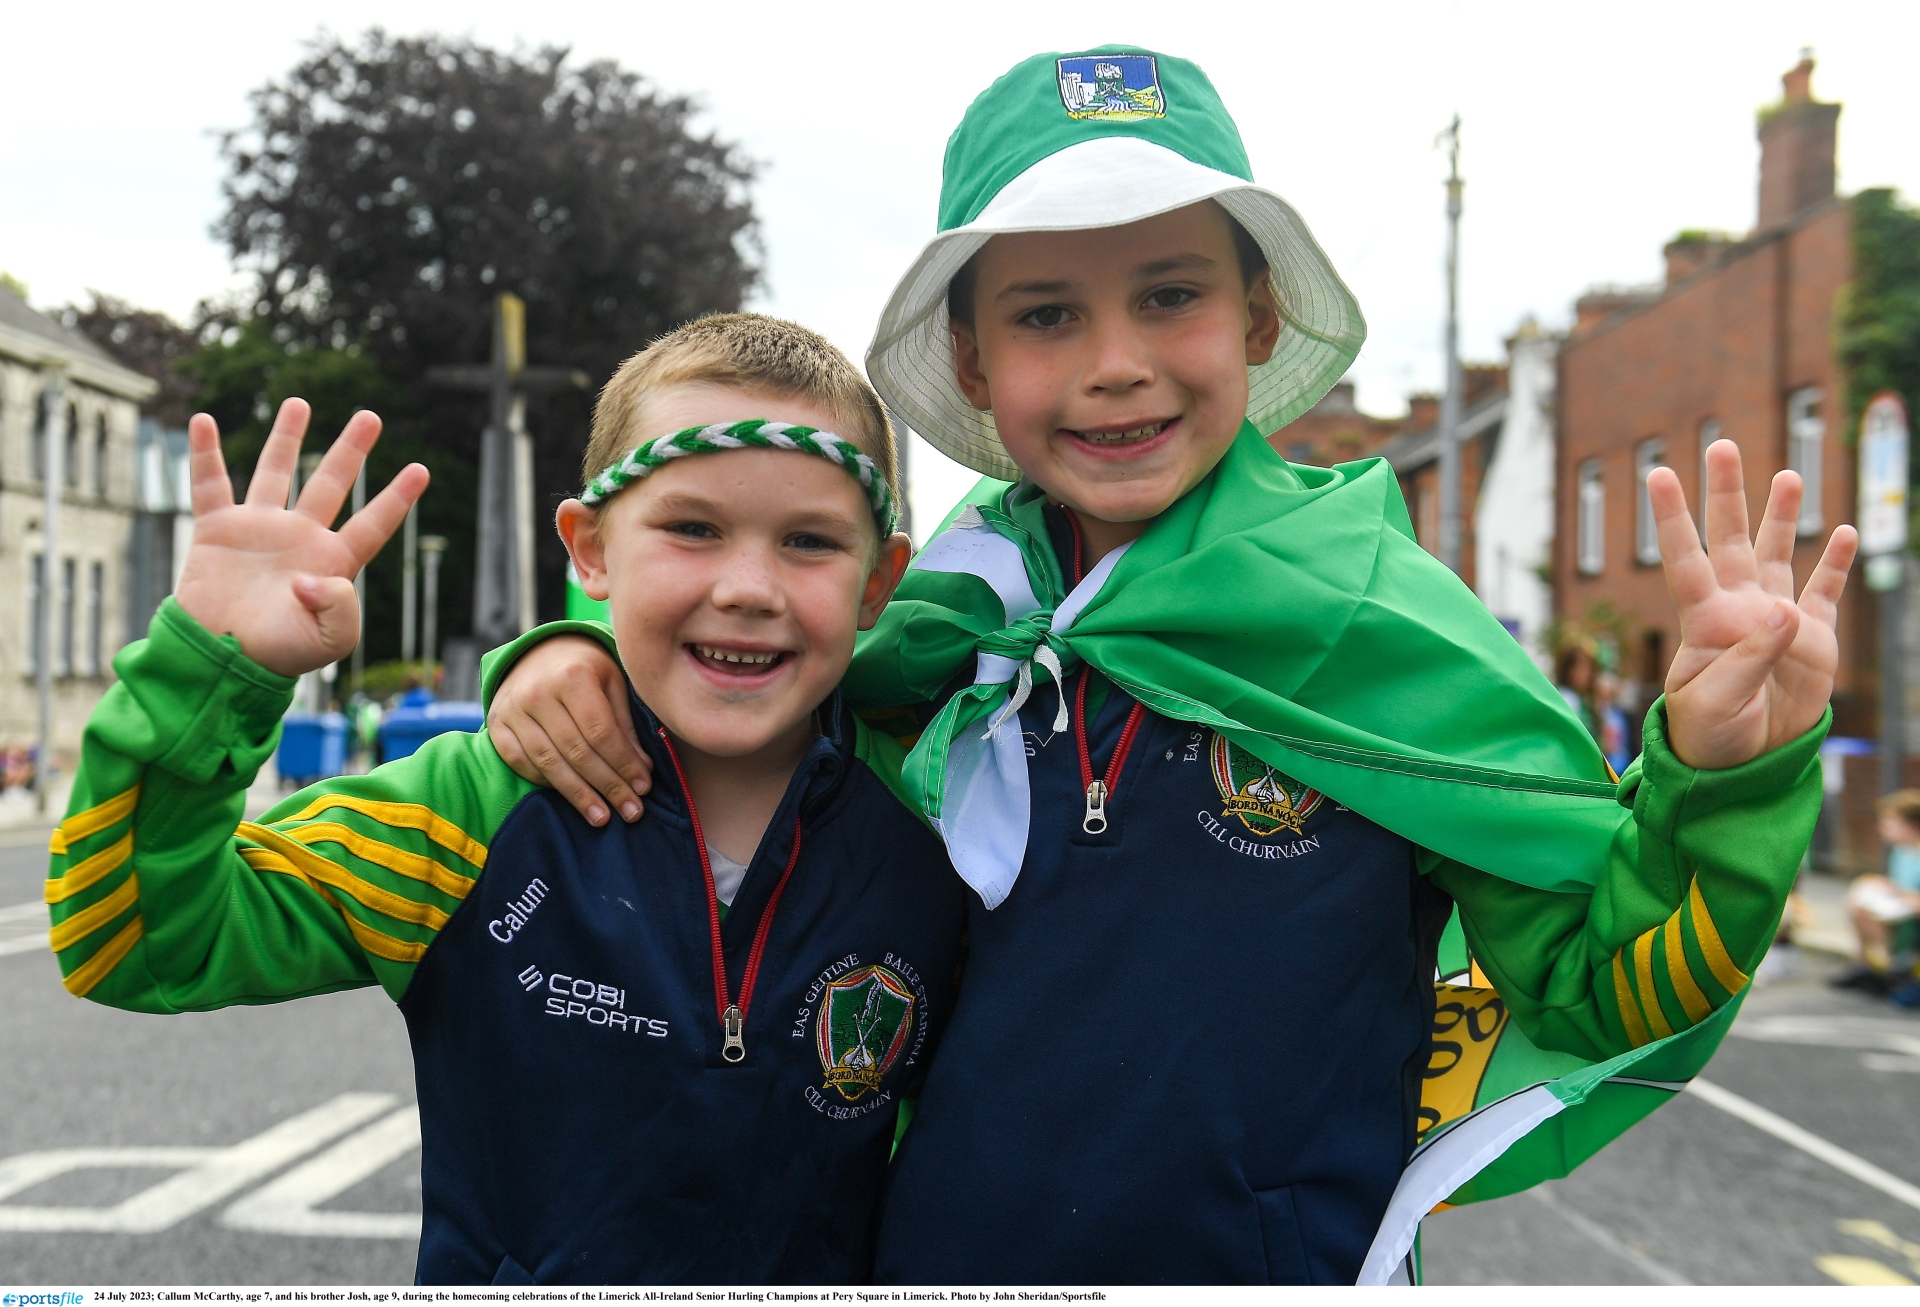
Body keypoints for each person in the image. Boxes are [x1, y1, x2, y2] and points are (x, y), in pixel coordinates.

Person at [484, 48, 1857, 1284]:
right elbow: (733, 679)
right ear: (970, 358)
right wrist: (577, 657)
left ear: (1257, 320)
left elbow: (1607, 980)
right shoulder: (934, 609)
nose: (1118, 364)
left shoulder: (1384, 620)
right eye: (1045, 315)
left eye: (1171, 294)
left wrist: (1726, 773)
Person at [43, 315, 966, 1284]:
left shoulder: (949, 818)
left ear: (879, 583)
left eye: (810, 541)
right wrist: (212, 673)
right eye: (693, 527)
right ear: (591, 550)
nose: (748, 587)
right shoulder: (468, 810)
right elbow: (129, 942)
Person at [1837, 790, 1920, 1000]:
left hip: (1911, 921)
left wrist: (1894, 892)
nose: (1882, 828)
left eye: (1890, 822)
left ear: (1911, 825)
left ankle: (1886, 969)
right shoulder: (1900, 853)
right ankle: (1870, 967)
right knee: (1857, 903)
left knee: (1864, 910)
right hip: (1902, 913)